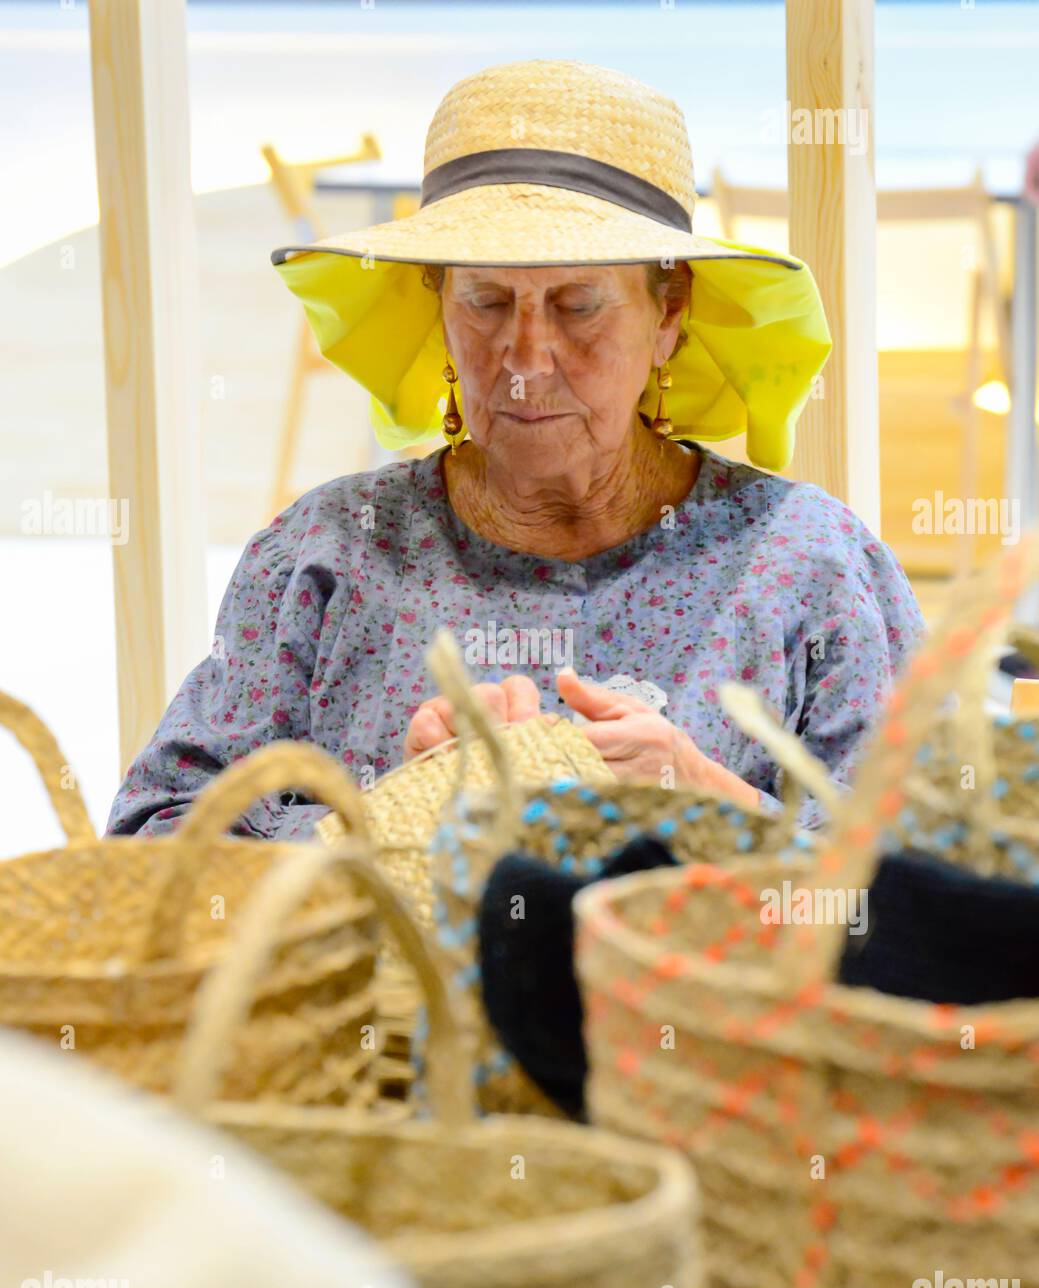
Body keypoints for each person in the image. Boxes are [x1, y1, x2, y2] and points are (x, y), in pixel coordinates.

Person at [107, 58, 925, 842]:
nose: (526, 360)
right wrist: (394, 816)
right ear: (438, 307)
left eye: (577, 305)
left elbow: (944, 886)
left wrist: (706, 796)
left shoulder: (801, 562)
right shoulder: (330, 552)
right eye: (488, 302)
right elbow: (155, 841)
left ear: (668, 312)